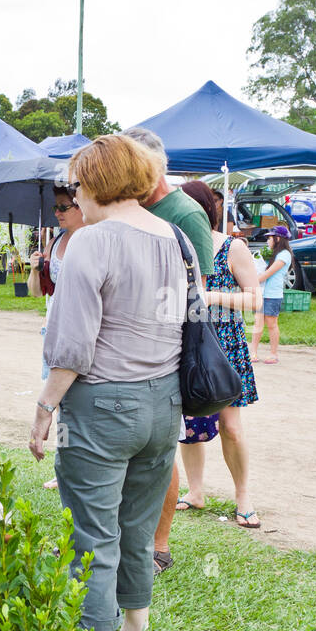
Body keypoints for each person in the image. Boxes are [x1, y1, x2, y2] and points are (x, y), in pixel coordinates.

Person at [30, 134, 187, 631]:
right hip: (164, 402)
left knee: (94, 536)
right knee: (137, 529)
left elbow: (72, 344)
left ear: (93, 182)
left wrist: (45, 406)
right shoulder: (172, 236)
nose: (73, 197)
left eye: (73, 186)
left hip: (101, 404)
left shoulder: (91, 244)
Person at [122, 126, 214, 578]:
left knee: (164, 450)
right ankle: (135, 537)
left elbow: (197, 290)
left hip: (170, 347)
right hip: (136, 348)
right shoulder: (135, 209)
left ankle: (160, 545)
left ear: (156, 168)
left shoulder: (185, 212)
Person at [174, 180, 262, 529]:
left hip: (224, 344)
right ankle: (196, 492)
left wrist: (212, 297)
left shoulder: (231, 247)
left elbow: (255, 299)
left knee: (231, 427)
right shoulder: (175, 247)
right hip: (187, 341)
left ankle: (243, 497)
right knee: (189, 425)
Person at [30, 184, 87, 490]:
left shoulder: (91, 240)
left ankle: (81, 465)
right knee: (60, 405)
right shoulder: (55, 241)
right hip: (53, 329)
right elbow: (38, 291)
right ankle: (63, 464)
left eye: (64, 207)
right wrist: (35, 268)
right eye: (56, 207)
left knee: (80, 404)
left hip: (78, 332)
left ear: (81, 206)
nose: (58, 213)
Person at [251, 226, 291, 363]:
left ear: (278, 238)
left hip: (273, 294)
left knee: (271, 324)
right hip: (262, 292)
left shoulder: (284, 255)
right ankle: (253, 352)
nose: (268, 240)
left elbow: (268, 273)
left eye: (269, 238)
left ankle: (274, 354)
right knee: (258, 322)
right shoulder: (273, 253)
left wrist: (249, 281)